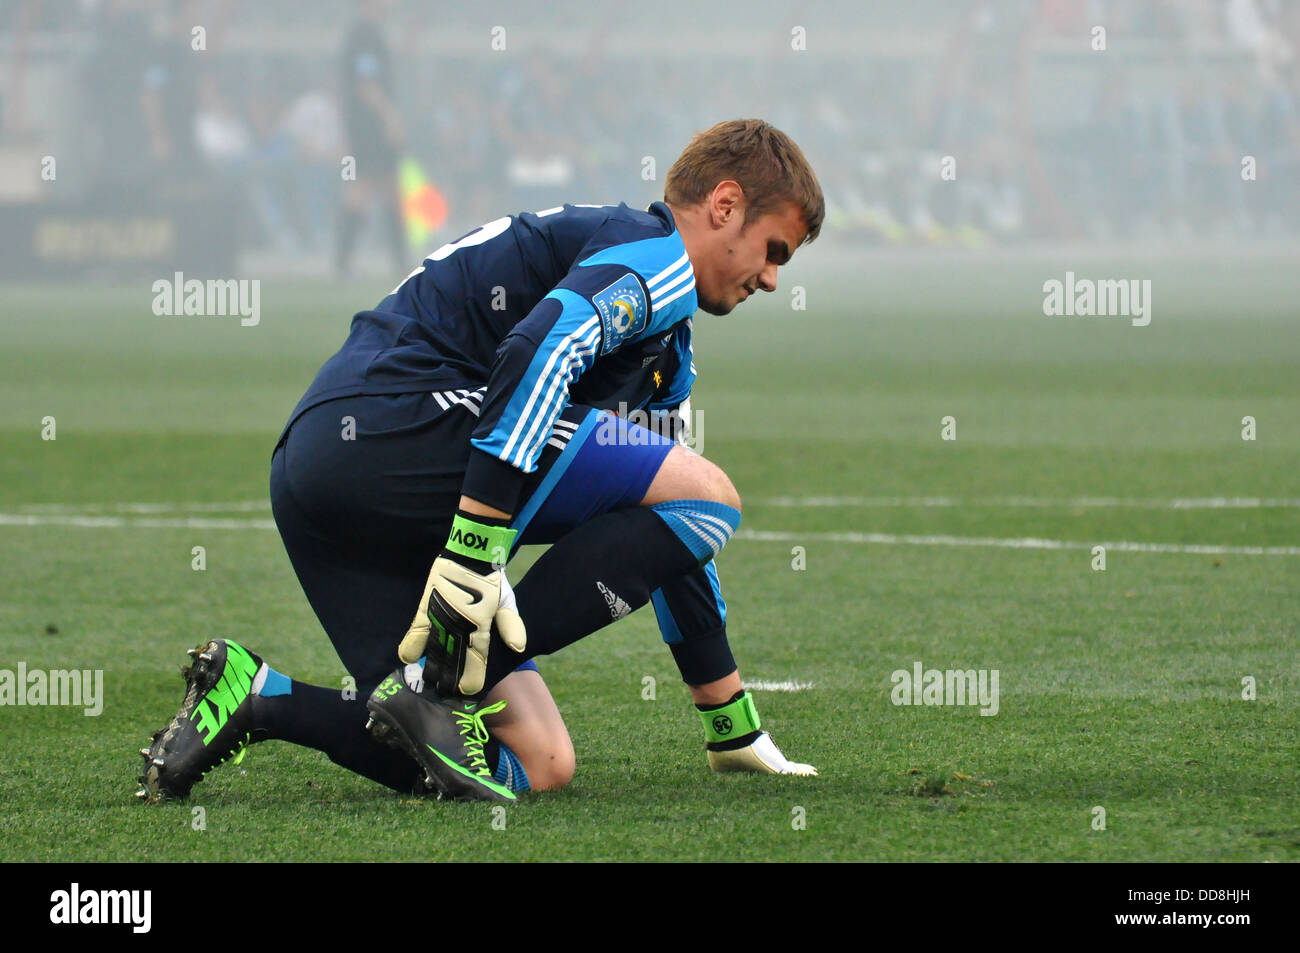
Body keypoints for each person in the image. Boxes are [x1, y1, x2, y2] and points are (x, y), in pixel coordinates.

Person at [137, 118, 824, 804]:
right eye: (774, 251)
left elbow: (671, 536)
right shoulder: (654, 252)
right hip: (391, 425)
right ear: (725, 205)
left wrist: (730, 725)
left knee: (536, 761)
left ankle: (260, 698)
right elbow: (537, 354)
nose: (769, 278)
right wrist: (474, 552)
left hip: (318, 480)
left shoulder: (666, 350)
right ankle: (431, 682)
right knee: (710, 495)